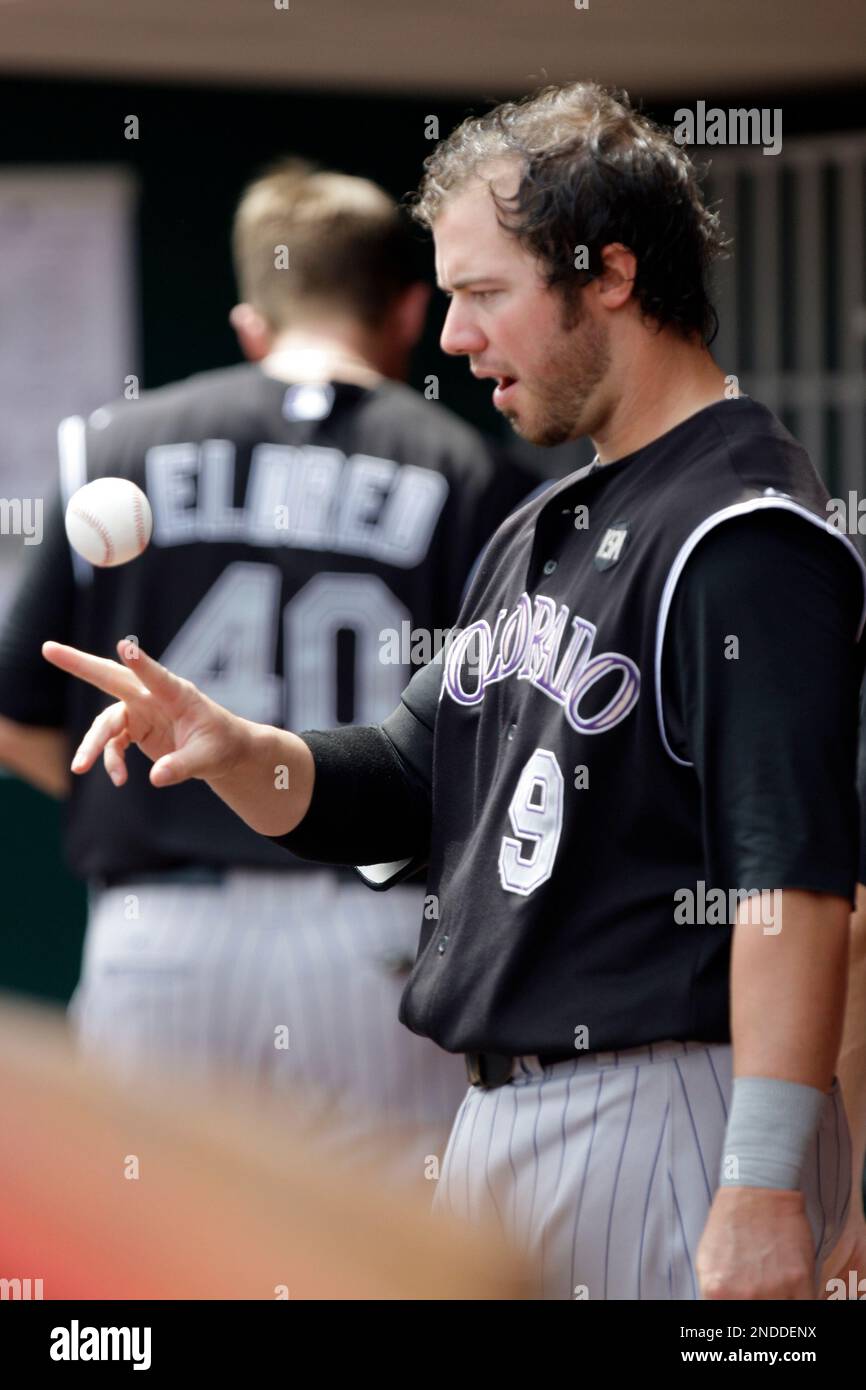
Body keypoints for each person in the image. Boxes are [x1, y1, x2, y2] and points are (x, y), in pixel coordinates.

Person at [39, 83, 866, 1299]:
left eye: (485, 294)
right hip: (503, 1123)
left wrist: (759, 1183)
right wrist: (233, 746)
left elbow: (790, 889)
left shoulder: (740, 535)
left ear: (611, 276)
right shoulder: (543, 522)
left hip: (662, 1115)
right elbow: (401, 784)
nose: (452, 337)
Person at [0, 158, 534, 1185]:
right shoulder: (470, 471)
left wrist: (150, 791)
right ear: (409, 311)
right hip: (368, 927)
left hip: (163, 930)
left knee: (146, 1253)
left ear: (251, 324)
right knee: (378, 1255)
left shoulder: (115, 443)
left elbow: (17, 713)